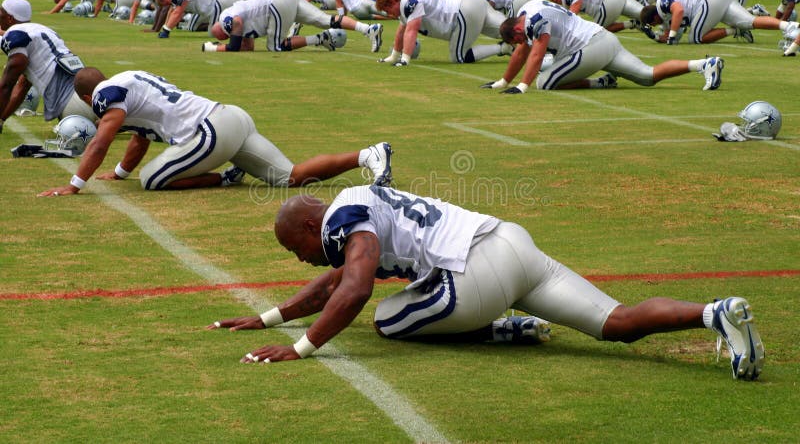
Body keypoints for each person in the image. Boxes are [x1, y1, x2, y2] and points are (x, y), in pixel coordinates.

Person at [207, 185, 765, 382]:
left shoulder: (339, 223)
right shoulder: (355, 205)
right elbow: (334, 282)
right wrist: (267, 318)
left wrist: (300, 348)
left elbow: (353, 290)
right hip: (510, 245)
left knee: (384, 318)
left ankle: (499, 327)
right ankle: (717, 312)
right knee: (615, 323)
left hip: (475, 271)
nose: (300, 256)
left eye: (293, 247)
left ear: (311, 225)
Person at [38, 68, 393, 196]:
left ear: (87, 96)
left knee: (152, 180)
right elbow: (140, 136)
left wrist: (74, 184)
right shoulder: (130, 79)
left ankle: (224, 179)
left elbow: (102, 140)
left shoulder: (102, 95)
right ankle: (368, 154)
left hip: (208, 132)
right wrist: (118, 173)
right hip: (231, 117)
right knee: (290, 178)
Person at [482, 0, 726, 94]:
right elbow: (524, 51)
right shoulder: (529, 8)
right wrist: (503, 81)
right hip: (603, 39)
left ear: (516, 30)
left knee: (544, 82)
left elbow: (533, 53)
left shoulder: (534, 21)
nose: (518, 45)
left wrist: (522, 86)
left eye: (515, 40)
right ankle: (704, 64)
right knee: (646, 76)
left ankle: (600, 82)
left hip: (589, 46)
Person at [0, 0, 94, 133]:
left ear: (10, 18)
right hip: (91, 97)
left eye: (1, 12)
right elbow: (22, 87)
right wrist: (2, 119)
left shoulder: (15, 36)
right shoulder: (43, 30)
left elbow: (7, 86)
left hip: (71, 107)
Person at [203, 0, 383, 53]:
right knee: (326, 19)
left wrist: (215, 48)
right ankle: (368, 29)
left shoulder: (227, 19)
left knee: (276, 47)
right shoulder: (234, 14)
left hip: (275, 3)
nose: (230, 36)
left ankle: (321, 39)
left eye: (225, 35)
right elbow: (248, 46)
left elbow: (236, 30)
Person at [375, 0, 511, 67]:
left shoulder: (407, 3)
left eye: (388, 10)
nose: (389, 14)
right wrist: (394, 56)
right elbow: (401, 31)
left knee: (459, 57)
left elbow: (412, 30)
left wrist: (404, 59)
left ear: (393, 1)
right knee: (509, 31)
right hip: (473, 1)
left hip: (462, 12)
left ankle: (504, 48)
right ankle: (527, 42)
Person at [640, 0, 798, 45]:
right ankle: (789, 26)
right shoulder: (666, 17)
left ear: (654, 17)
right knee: (750, 22)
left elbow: (679, 10)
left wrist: (672, 35)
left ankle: (734, 31)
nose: (657, 27)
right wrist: (655, 37)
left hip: (708, 1)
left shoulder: (662, 3)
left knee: (696, 38)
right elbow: (670, 38)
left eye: (654, 25)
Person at [548, 0, 651, 35]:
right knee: (646, 13)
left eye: (556, 1)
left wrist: (568, 23)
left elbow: (576, 1)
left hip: (607, 1)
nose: (559, 3)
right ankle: (663, 26)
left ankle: (632, 24)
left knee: (595, 32)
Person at [153, 0, 243, 37]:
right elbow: (173, 10)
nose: (169, 4)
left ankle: (229, 28)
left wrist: (166, 31)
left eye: (166, 2)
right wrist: (165, 26)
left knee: (215, 33)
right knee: (192, 27)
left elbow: (178, 12)